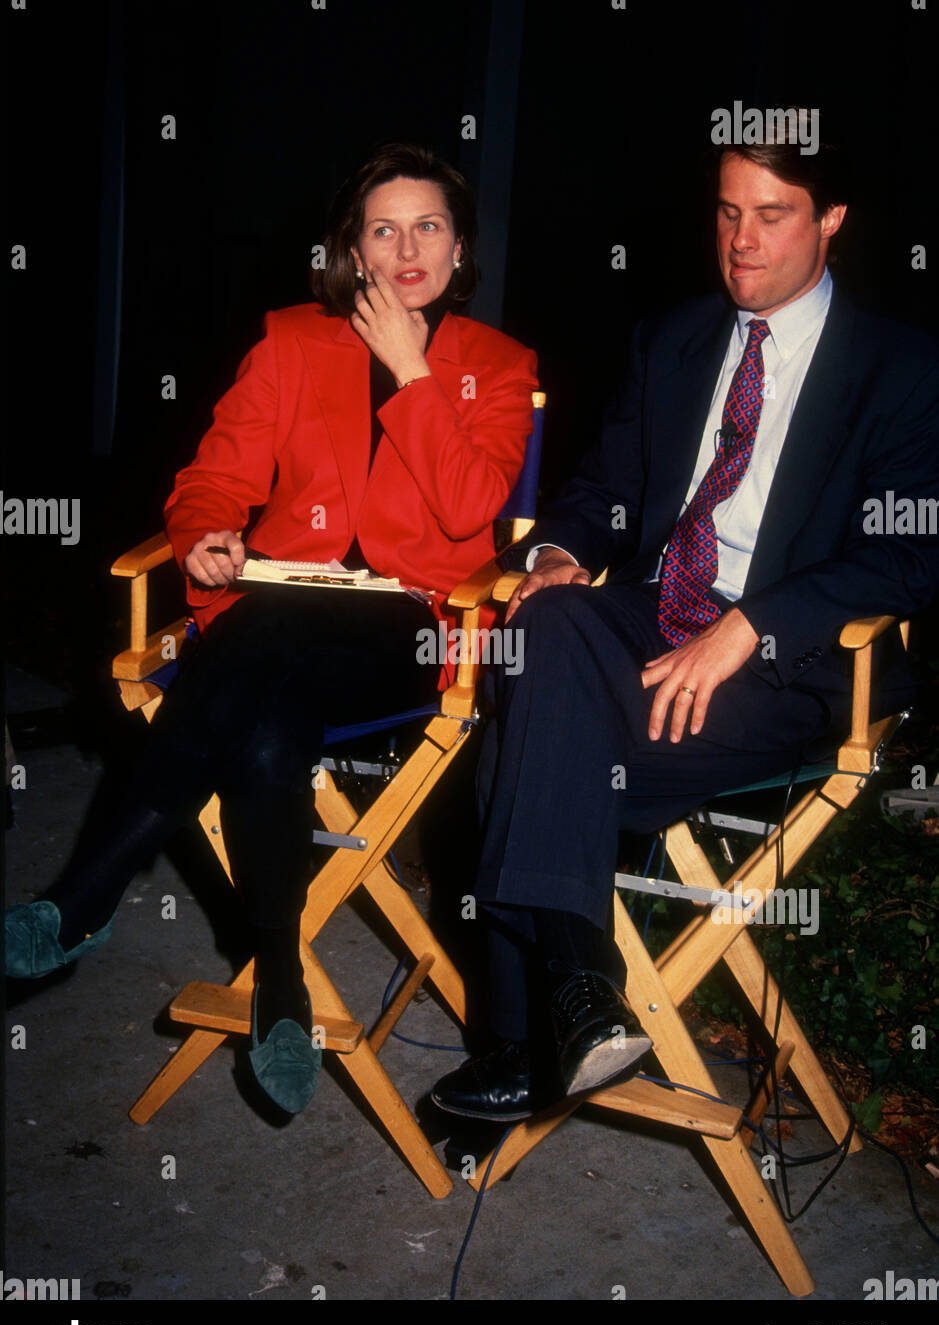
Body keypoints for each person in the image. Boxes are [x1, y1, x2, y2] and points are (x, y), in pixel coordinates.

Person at [6, 142, 538, 1115]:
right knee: (263, 713)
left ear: (461, 250)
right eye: (383, 228)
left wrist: (413, 372)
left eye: (429, 227)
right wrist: (205, 533)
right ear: (352, 247)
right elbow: (215, 478)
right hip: (277, 615)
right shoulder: (292, 340)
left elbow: (470, 509)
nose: (407, 247)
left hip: (412, 630)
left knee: (255, 655)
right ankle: (282, 986)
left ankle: (83, 899)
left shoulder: (497, 367)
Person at [432, 120, 939, 1123]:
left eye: (773, 216)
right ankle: (583, 993)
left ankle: (514, 1039)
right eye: (727, 211)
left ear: (831, 220)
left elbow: (911, 550)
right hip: (645, 624)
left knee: (515, 745)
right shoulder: (674, 339)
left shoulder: (902, 366)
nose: (741, 240)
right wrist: (562, 551)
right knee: (545, 623)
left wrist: (756, 622)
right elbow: (601, 487)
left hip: (789, 669)